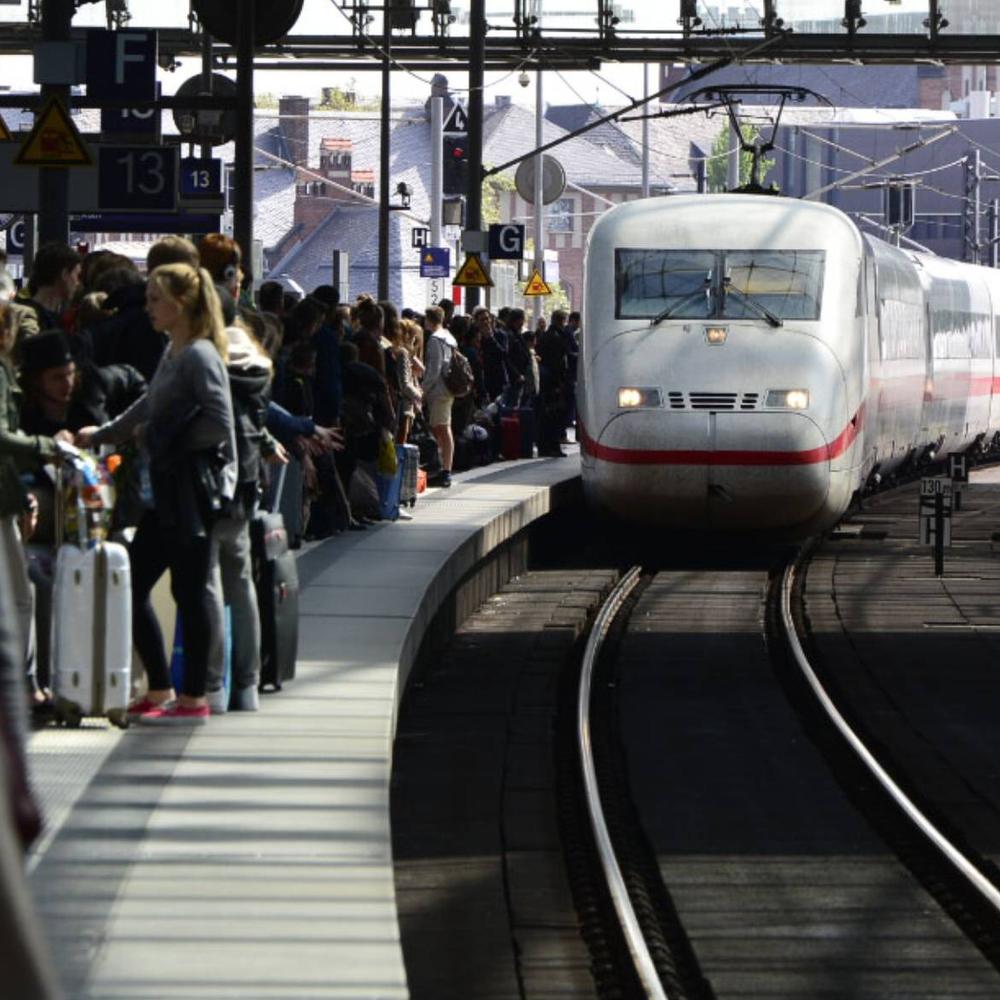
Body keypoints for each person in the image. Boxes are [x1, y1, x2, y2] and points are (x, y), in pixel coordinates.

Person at [78, 264, 237, 725]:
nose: (146, 308)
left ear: (180, 304)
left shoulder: (199, 355)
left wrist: (165, 437)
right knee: (143, 582)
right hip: (168, 489)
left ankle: (189, 698)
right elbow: (148, 404)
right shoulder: (177, 349)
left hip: (188, 490)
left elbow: (220, 422)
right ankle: (166, 689)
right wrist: (104, 434)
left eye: (154, 299)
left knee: (183, 588)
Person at [420, 305, 457, 487]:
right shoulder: (449, 337)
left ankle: (443, 469)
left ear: (429, 319)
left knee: (439, 429)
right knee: (444, 428)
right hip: (449, 388)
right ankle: (444, 468)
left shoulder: (435, 339)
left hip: (439, 390)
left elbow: (433, 370)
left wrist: (423, 390)